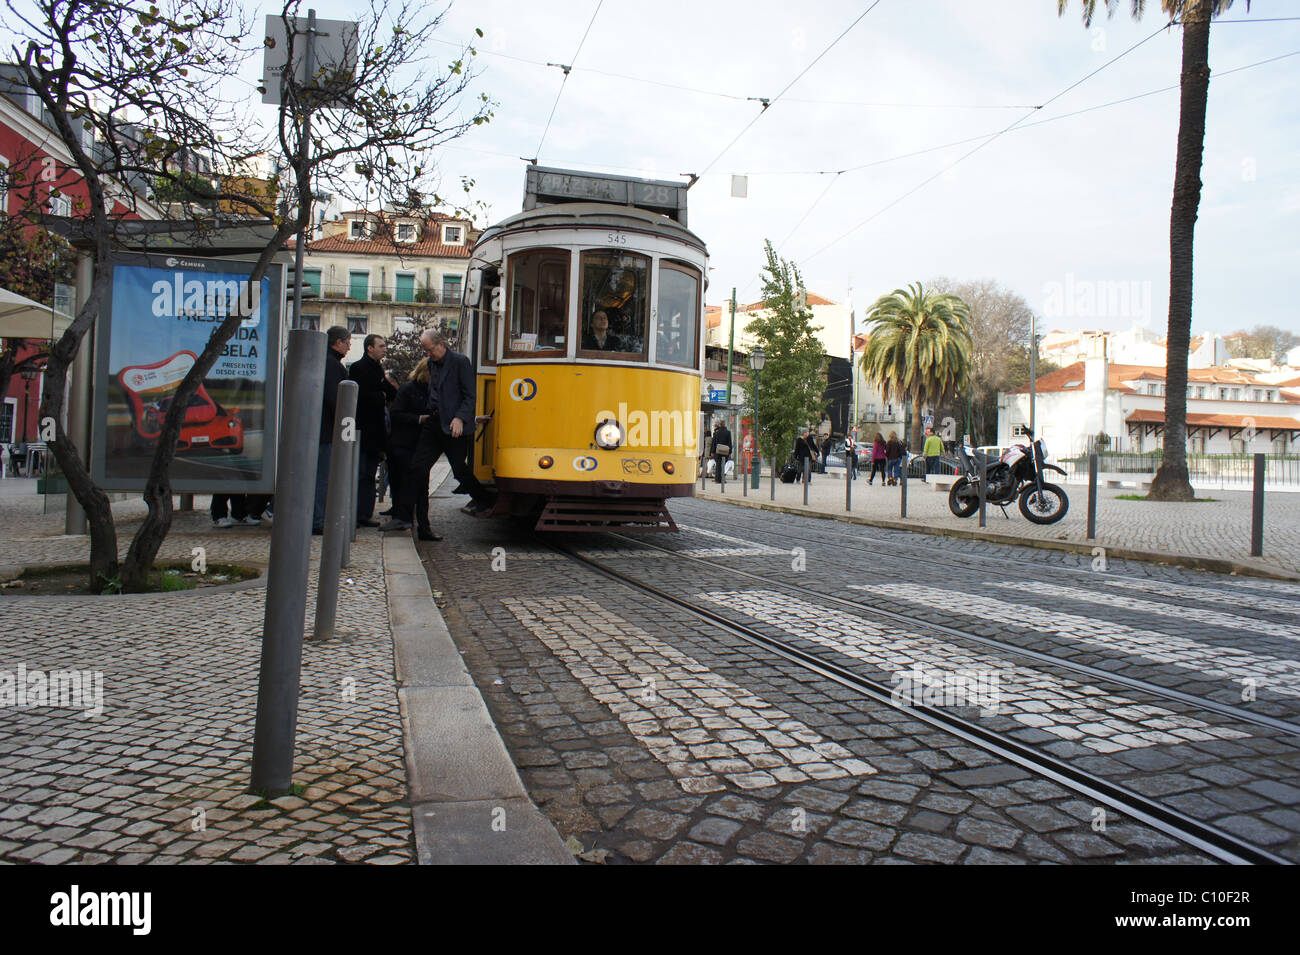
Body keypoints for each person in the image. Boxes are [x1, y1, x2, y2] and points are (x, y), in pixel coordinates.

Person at [380, 331, 493, 540]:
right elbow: (436, 392)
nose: (428, 354)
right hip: (434, 423)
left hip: (453, 426)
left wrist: (460, 418)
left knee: (460, 470)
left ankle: (485, 500)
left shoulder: (460, 362)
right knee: (417, 469)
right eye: (426, 350)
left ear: (441, 344)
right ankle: (404, 516)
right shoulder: (432, 363)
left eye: (430, 349)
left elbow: (470, 395)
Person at [349, 334, 397, 527]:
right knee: (363, 474)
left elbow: (391, 392)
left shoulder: (377, 368)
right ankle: (359, 513)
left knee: (369, 475)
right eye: (381, 346)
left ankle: (364, 513)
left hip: (374, 432)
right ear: (370, 348)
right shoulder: (359, 368)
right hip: (364, 430)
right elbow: (365, 397)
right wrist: (381, 395)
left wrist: (384, 393)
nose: (384, 349)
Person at [312, 326, 350, 534]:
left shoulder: (319, 361)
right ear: (338, 342)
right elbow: (337, 400)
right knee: (322, 477)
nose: (349, 346)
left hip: (315, 428)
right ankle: (318, 520)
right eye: (347, 342)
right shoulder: (334, 366)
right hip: (326, 430)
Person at [386, 358, 430, 524]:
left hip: (420, 445)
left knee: (422, 486)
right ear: (424, 372)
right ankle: (402, 518)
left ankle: (423, 525)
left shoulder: (433, 390)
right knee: (405, 483)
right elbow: (396, 414)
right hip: (404, 444)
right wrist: (419, 419)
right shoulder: (408, 389)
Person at [709, 420, 732, 486]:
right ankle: (722, 479)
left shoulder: (717, 432)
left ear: (720, 425)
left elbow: (714, 443)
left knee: (718, 465)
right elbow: (729, 443)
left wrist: (712, 451)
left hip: (718, 451)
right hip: (725, 451)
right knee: (723, 465)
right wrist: (730, 452)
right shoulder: (728, 432)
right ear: (725, 424)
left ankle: (717, 479)